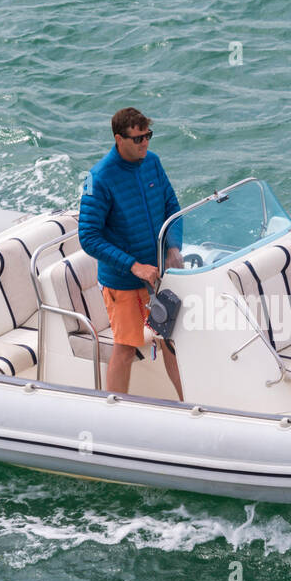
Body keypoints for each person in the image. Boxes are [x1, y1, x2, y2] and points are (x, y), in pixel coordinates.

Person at [78, 107, 184, 399]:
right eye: (138, 139)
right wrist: (134, 266)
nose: (144, 143)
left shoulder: (152, 162)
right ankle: (113, 410)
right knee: (125, 348)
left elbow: (173, 207)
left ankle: (189, 404)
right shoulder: (98, 178)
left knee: (170, 342)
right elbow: (88, 237)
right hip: (123, 282)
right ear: (119, 139)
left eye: (148, 136)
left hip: (158, 275)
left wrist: (173, 246)